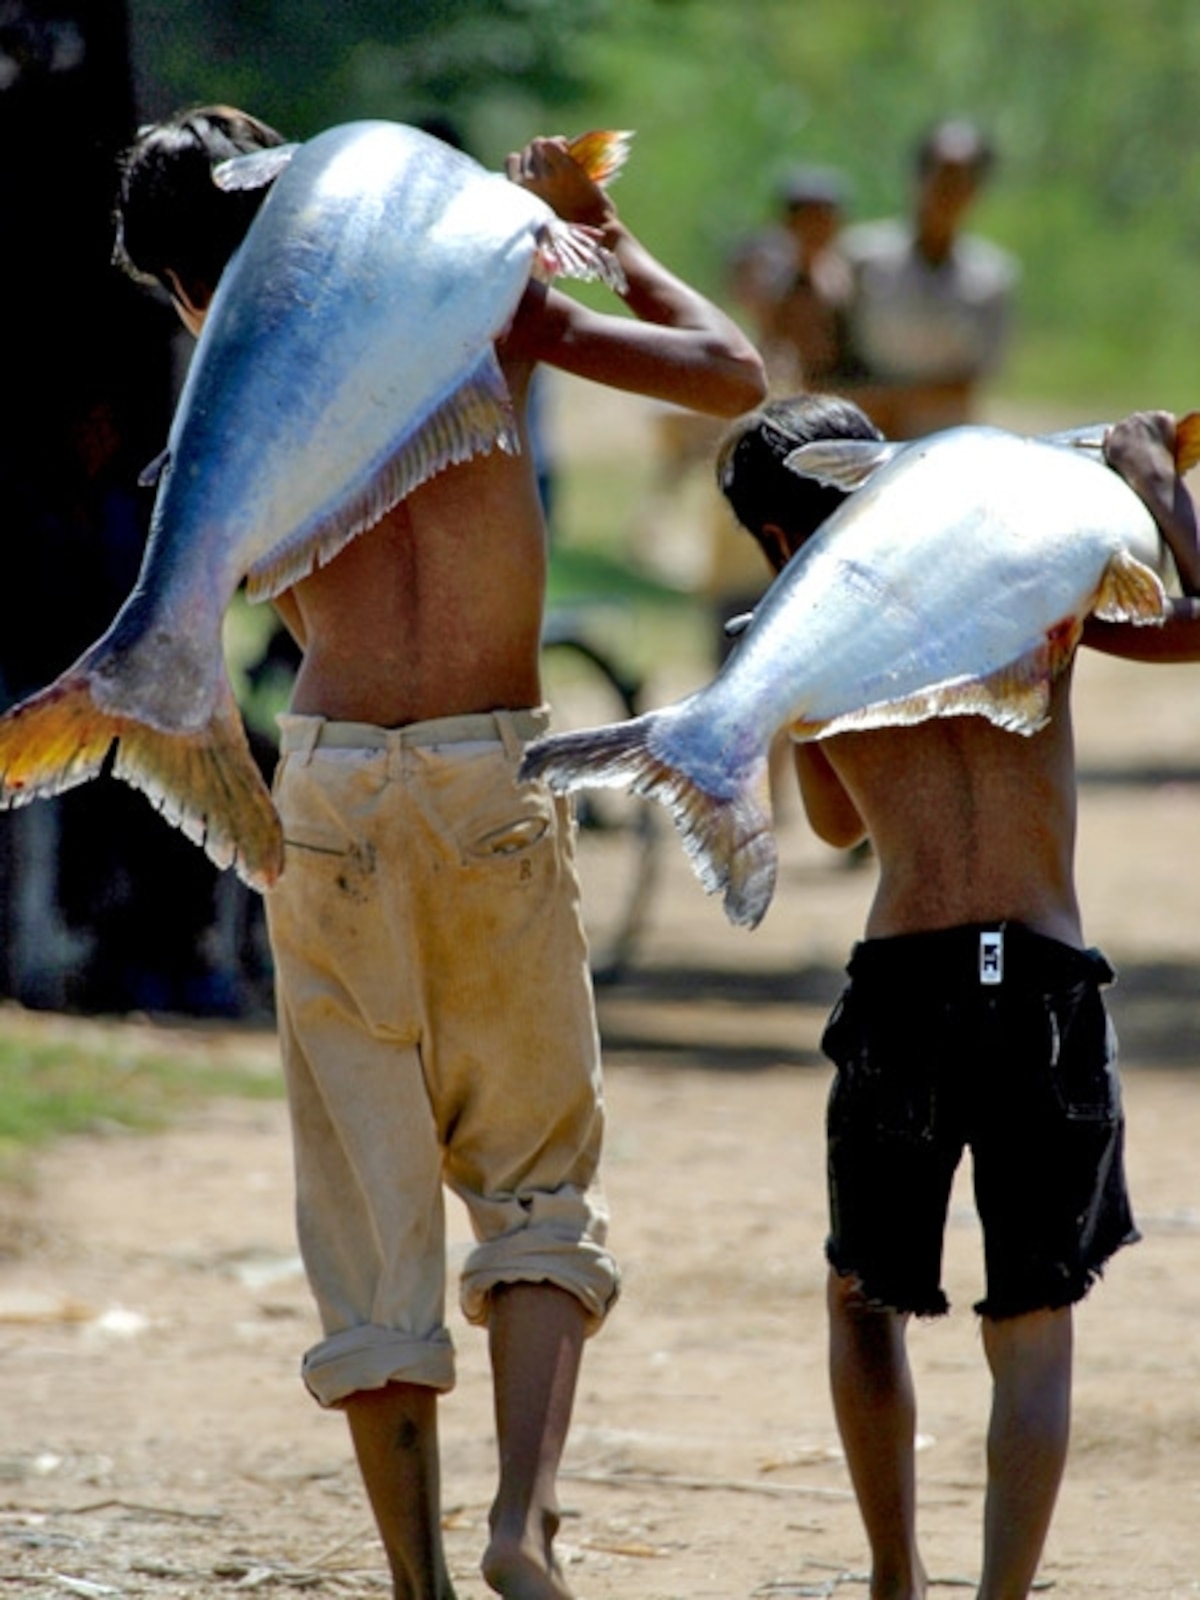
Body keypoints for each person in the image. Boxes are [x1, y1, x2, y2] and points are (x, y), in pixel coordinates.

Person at [114, 105, 765, 1600]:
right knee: (535, 1185)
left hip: (330, 791)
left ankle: (414, 1585)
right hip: (490, 771)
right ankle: (520, 1530)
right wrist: (598, 237)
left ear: (177, 285)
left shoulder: (223, 396)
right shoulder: (482, 297)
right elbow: (733, 375)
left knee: (369, 1211)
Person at [715, 393, 1200, 1600]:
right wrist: (1155, 484)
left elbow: (832, 827)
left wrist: (789, 679)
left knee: (863, 1296)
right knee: (1032, 1328)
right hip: (1040, 978)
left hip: (906, 986)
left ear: (777, 537)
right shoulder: (1026, 577)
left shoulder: (805, 628)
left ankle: (894, 1576)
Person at [841, 119, 1018, 440]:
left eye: (963, 181)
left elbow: (975, 379)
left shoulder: (991, 277)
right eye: (942, 177)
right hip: (865, 438)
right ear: (919, 177)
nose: (949, 193)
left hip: (946, 441)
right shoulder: (863, 258)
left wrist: (889, 401)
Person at [726, 163, 858, 392]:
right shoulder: (767, 275)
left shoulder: (846, 274)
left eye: (824, 221)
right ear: (789, 223)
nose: (817, 231)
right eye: (810, 221)